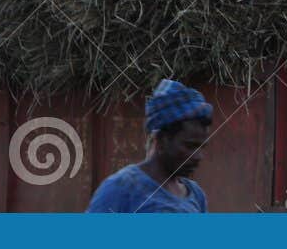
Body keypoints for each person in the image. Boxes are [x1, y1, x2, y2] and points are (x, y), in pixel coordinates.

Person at [87, 78, 213, 213]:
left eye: (201, 147)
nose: (198, 156)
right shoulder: (121, 189)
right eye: (189, 146)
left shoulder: (196, 195)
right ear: (162, 140)